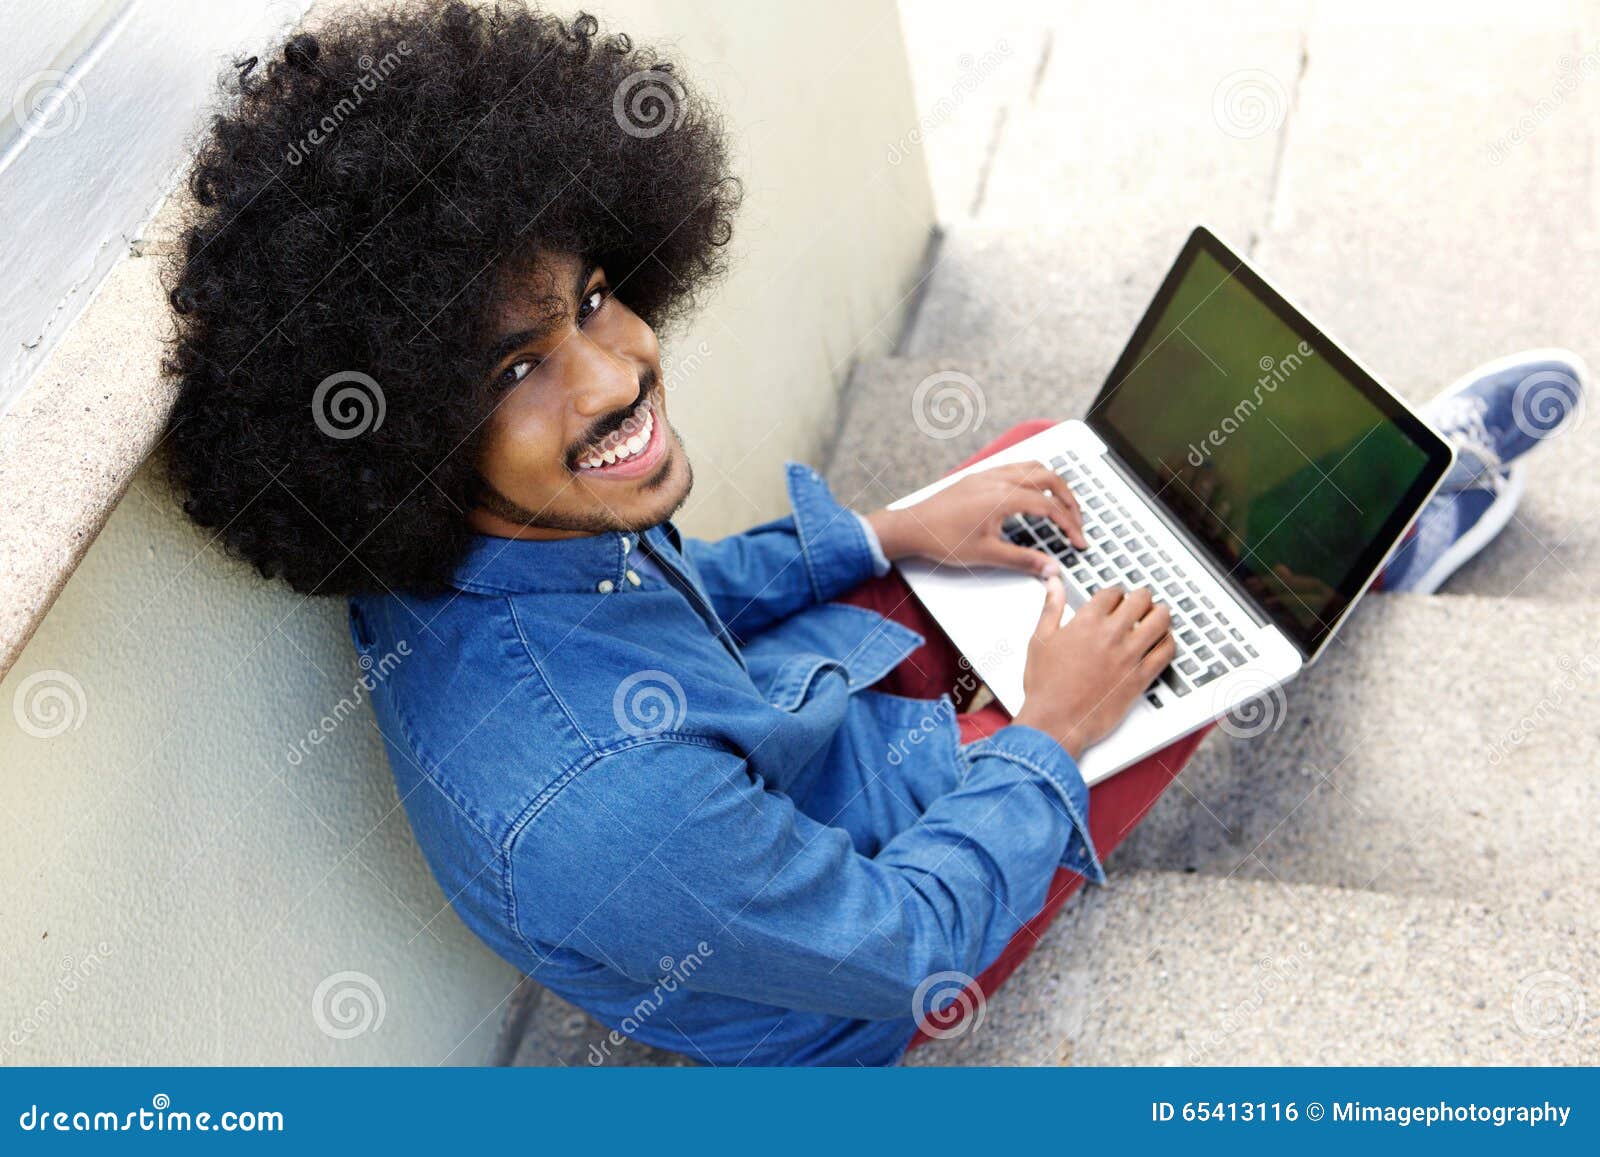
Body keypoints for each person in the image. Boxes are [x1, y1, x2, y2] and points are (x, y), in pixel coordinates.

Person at [161, 1, 1587, 1065]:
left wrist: (890, 529)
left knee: (1037, 490)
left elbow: (674, 610)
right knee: (1177, 633)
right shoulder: (606, 807)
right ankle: (1390, 533)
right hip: (864, 941)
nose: (616, 376)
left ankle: (1251, 535)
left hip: (777, 744)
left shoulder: (479, 547)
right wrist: (1051, 731)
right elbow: (910, 943)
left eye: (593, 295)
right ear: (402, 420)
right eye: (510, 369)